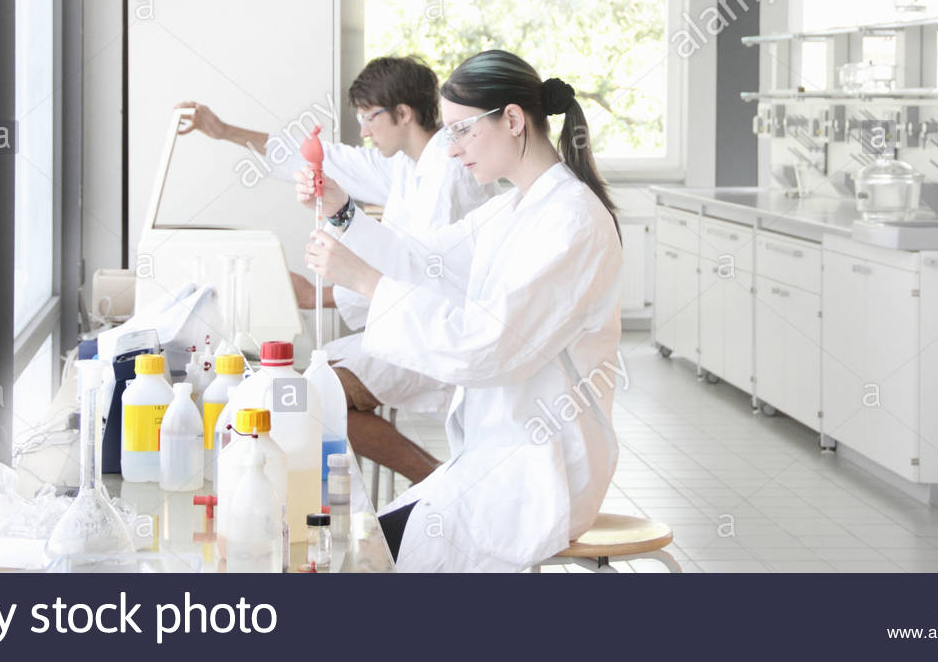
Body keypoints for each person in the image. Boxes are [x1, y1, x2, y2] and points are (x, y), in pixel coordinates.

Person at [299, 50, 624, 572]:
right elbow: (426, 260)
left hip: (546, 468)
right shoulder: (514, 208)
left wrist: (364, 281)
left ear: (513, 120)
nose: (451, 152)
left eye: (462, 132)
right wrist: (342, 211)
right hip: (496, 455)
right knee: (365, 548)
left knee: (376, 558)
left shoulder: (572, 221)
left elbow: (488, 348)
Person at [176, 56, 499, 482]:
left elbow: (419, 271)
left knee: (316, 399)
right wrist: (224, 132)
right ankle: (435, 479)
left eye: (369, 117)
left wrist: (318, 296)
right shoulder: (404, 165)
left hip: (438, 329)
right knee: (304, 386)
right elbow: (319, 157)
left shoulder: (449, 172)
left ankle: (436, 479)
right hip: (404, 320)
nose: (364, 130)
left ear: (403, 113)